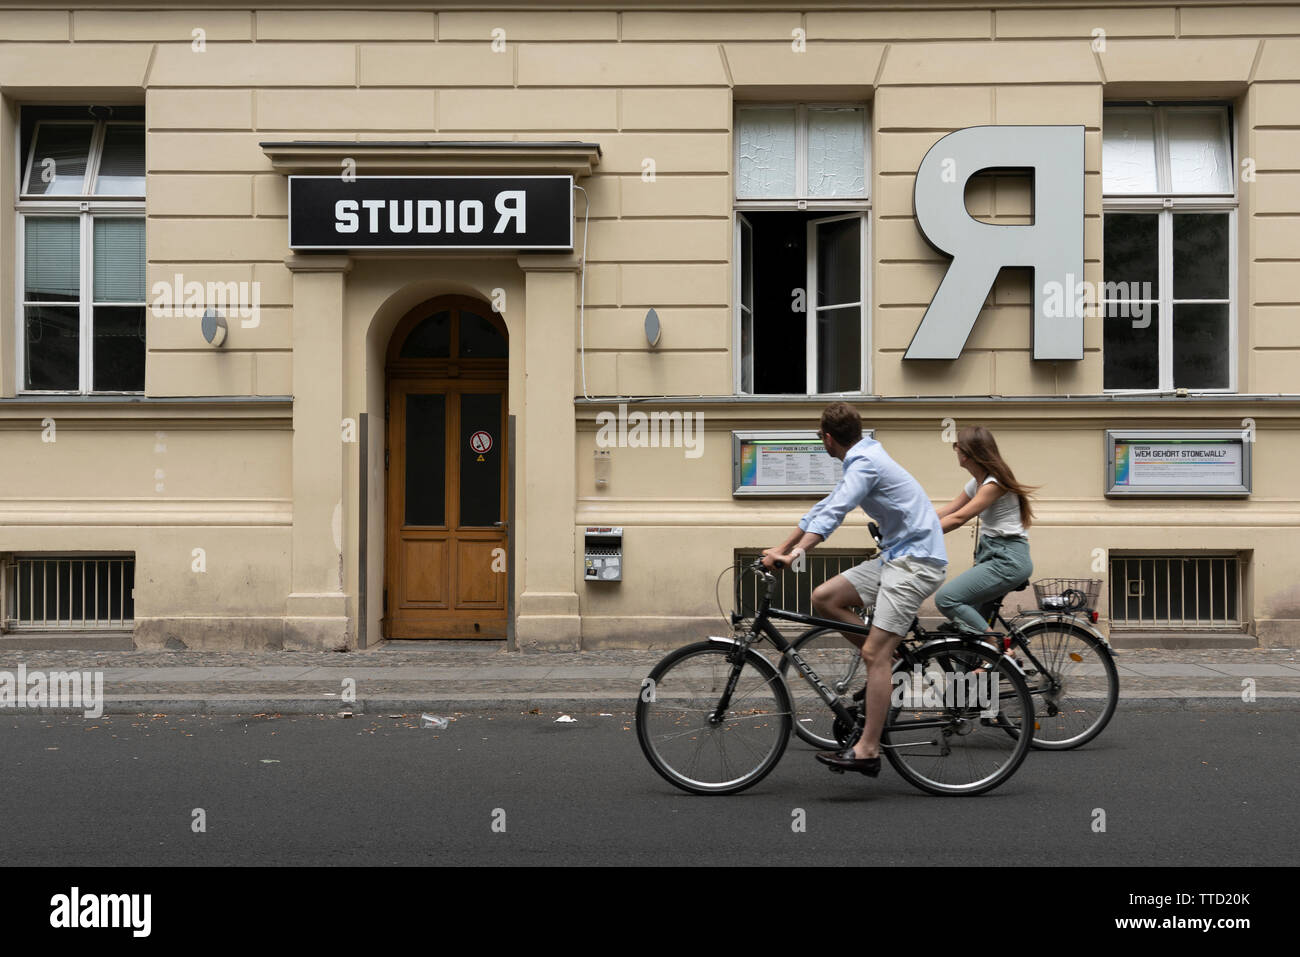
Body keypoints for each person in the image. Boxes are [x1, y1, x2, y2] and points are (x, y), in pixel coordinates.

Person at [763, 401, 947, 778]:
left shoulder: (864, 463)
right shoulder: (863, 456)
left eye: (821, 438)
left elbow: (836, 512)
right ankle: (886, 660)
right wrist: (782, 547)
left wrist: (797, 552)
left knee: (873, 655)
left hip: (916, 563)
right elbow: (825, 506)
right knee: (824, 598)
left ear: (828, 439)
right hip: (897, 556)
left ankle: (867, 749)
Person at [933, 426, 1036, 648]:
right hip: (993, 557)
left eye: (956, 446)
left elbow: (959, 518)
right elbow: (949, 509)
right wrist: (908, 524)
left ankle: (998, 649)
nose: (955, 451)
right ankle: (985, 668)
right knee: (968, 639)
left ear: (968, 453)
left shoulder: (994, 484)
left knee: (946, 599)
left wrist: (918, 536)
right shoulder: (977, 483)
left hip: (1007, 560)